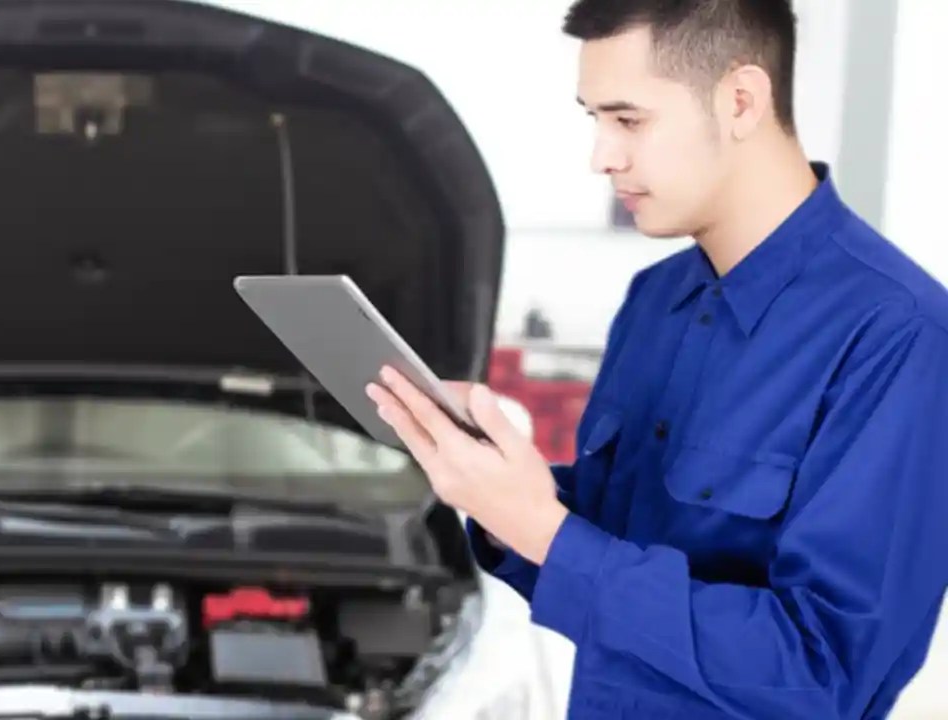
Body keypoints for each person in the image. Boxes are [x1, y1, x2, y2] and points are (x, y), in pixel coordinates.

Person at [365, 1, 948, 718]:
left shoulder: (898, 334)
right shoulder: (656, 300)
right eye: (595, 120)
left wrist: (546, 533)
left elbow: (824, 676)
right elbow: (608, 546)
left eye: (629, 120)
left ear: (741, 101)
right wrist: (496, 493)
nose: (602, 156)